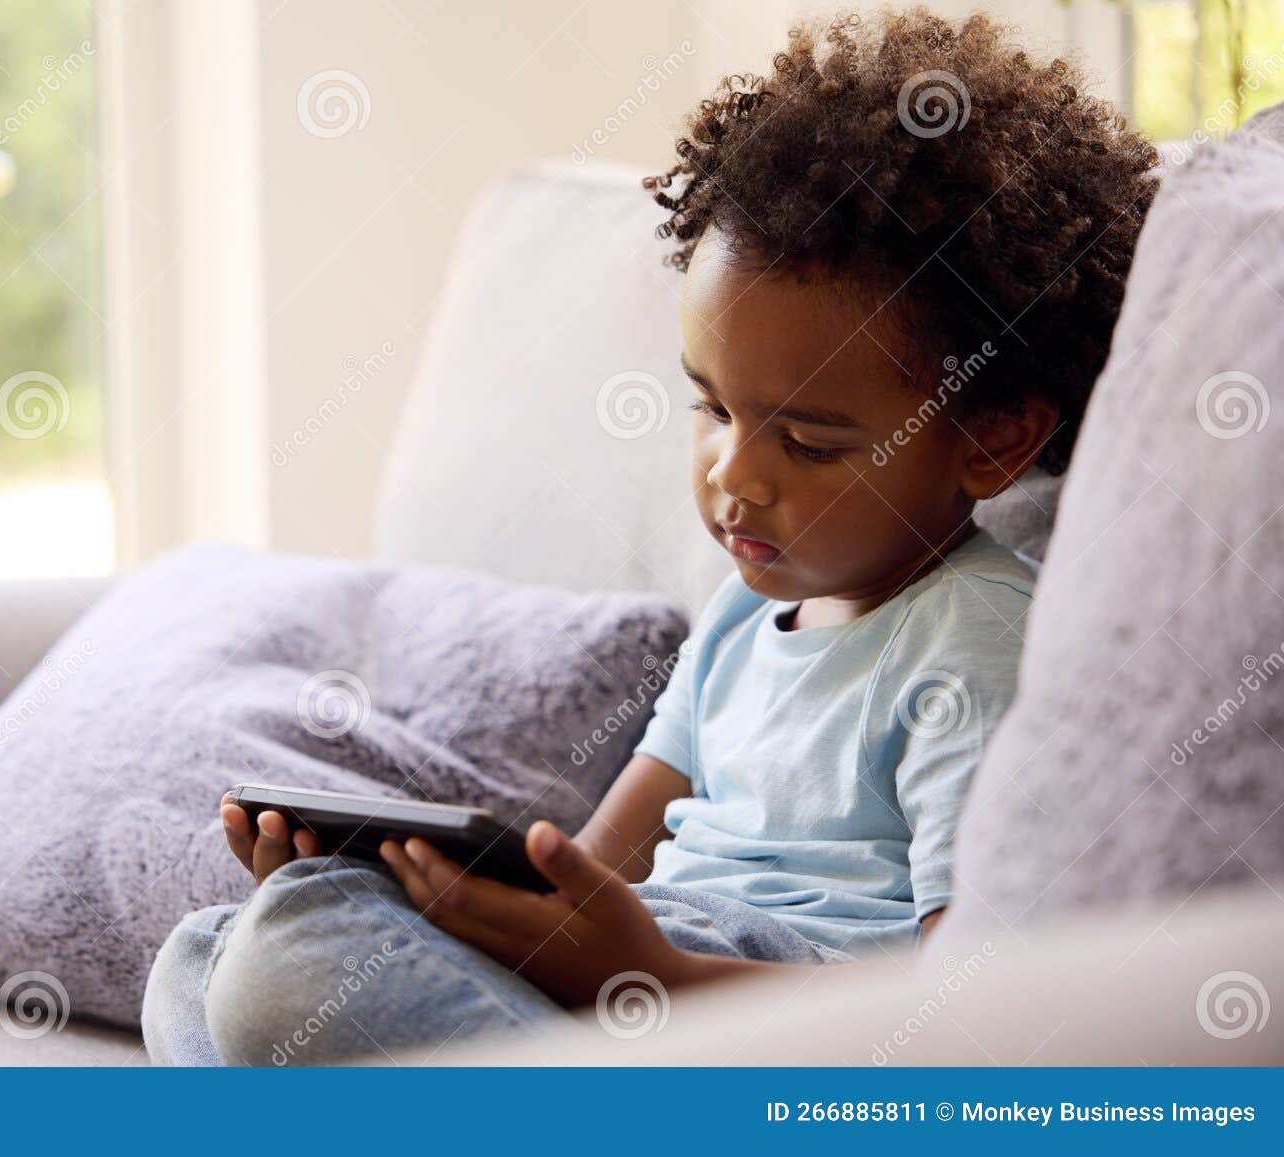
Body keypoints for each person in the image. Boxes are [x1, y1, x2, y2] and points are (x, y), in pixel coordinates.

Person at [141, 5, 1159, 1066]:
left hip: (768, 1016)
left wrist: (661, 983)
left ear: (991, 442)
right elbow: (581, 874)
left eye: (809, 442)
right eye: (714, 410)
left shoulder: (978, 641)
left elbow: (975, 1006)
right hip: (645, 972)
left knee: (286, 963)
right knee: (208, 951)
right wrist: (433, 907)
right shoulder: (740, 612)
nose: (733, 475)